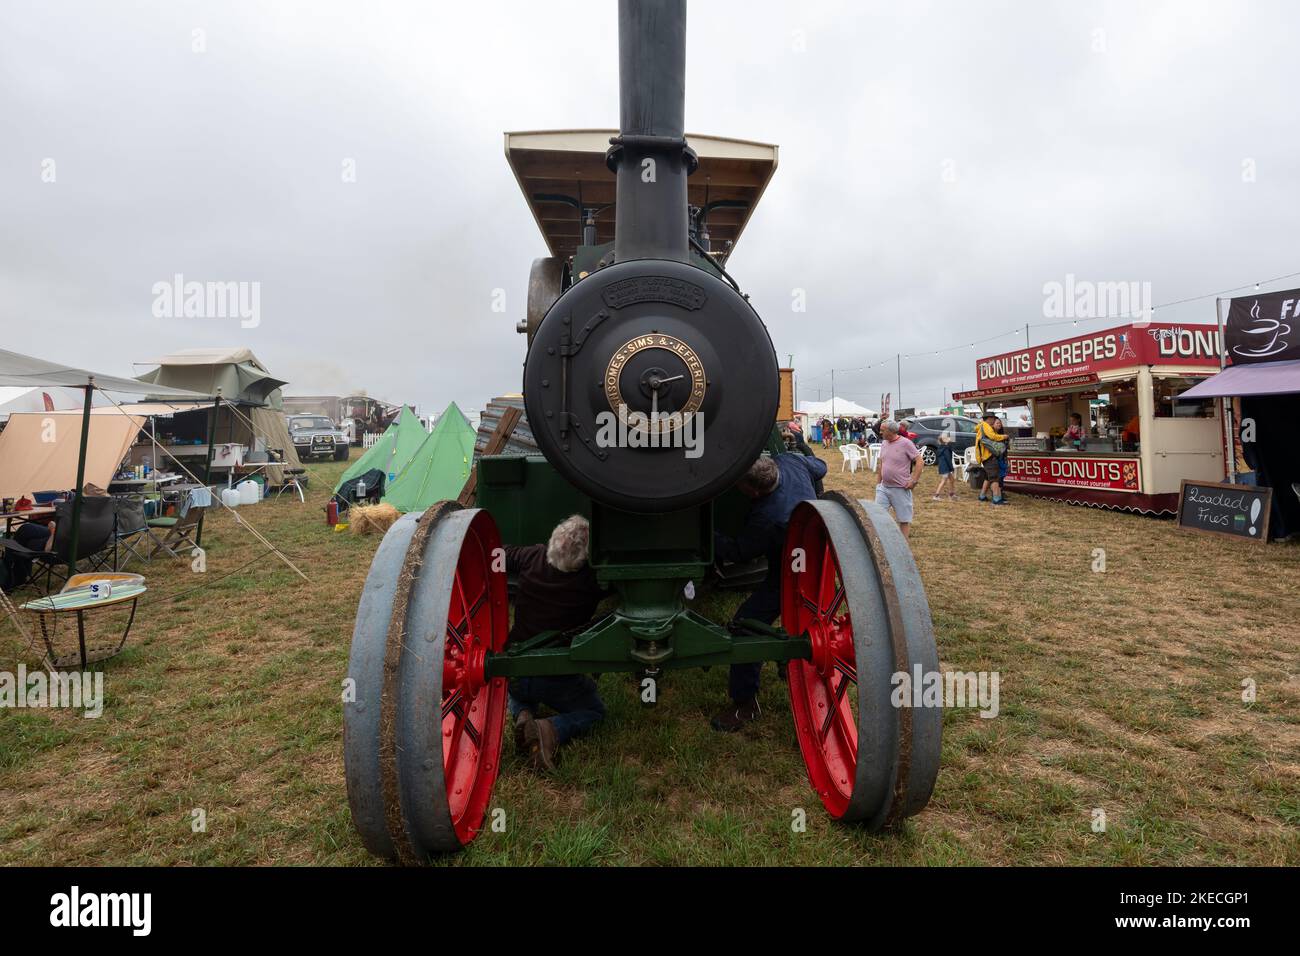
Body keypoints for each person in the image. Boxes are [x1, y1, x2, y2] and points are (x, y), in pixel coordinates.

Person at [712, 448, 827, 732]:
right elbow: (821, 466)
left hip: (789, 574)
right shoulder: (792, 461)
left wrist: (705, 535)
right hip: (820, 562)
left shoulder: (768, 517)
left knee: (746, 625)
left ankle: (745, 705)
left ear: (752, 492)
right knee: (805, 614)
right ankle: (790, 661)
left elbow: (740, 552)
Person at [506, 515, 608, 771]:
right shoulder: (590, 581)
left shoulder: (532, 557)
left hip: (515, 671)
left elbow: (502, 554)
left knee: (517, 690)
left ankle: (523, 715)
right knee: (595, 712)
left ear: (553, 539)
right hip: (555, 679)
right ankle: (550, 728)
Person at [875, 420, 923, 539]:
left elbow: (919, 461)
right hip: (884, 488)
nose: (880, 432)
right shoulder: (884, 443)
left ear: (891, 431)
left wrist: (914, 481)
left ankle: (903, 550)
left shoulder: (906, 443)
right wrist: (878, 485)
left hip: (900, 488)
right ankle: (882, 544)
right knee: (877, 516)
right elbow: (882, 463)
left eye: (882, 430)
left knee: (903, 519)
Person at [974, 411, 1008, 505]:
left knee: (988, 477)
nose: (994, 420)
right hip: (988, 456)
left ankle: (982, 496)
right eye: (993, 418)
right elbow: (992, 436)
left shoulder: (981, 426)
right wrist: (1003, 436)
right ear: (989, 419)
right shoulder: (986, 426)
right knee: (994, 478)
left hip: (984, 456)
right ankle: (997, 499)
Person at [931, 432, 958, 501]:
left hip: (944, 467)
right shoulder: (946, 449)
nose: (950, 438)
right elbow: (948, 460)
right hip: (945, 467)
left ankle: (952, 494)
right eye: (948, 437)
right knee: (943, 481)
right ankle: (936, 496)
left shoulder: (942, 447)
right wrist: (952, 468)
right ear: (945, 440)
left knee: (952, 479)